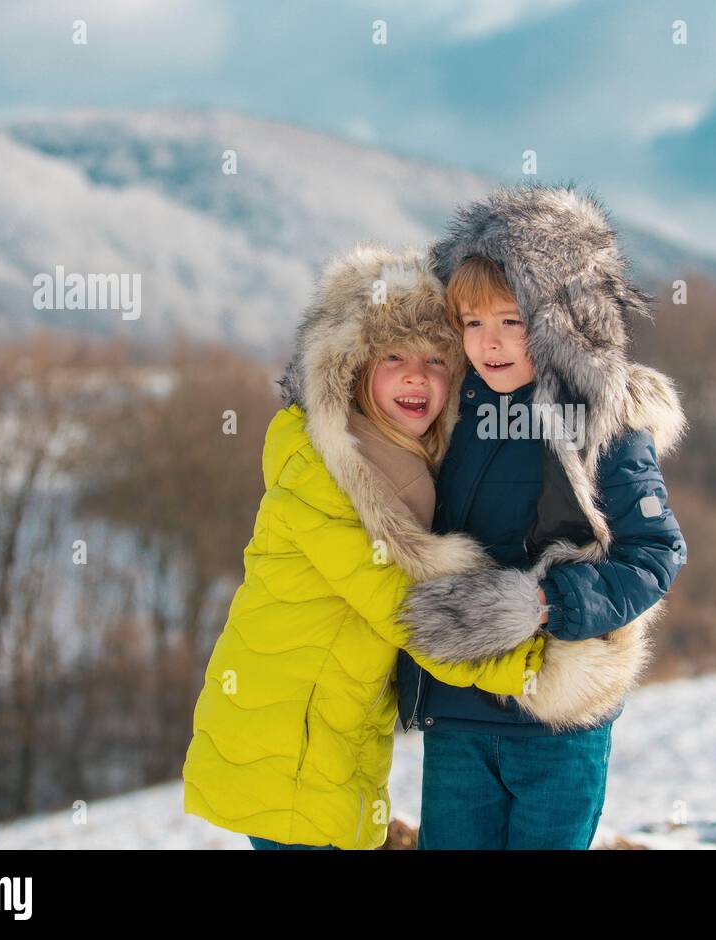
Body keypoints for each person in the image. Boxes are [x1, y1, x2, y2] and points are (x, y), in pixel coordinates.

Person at [181, 245, 547, 849]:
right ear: (350, 370)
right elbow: (401, 603)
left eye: (436, 360)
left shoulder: (407, 461)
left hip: (328, 733)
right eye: (393, 356)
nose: (415, 375)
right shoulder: (323, 471)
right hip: (285, 746)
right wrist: (536, 669)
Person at [396, 184, 690, 849]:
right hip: (457, 711)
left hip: (557, 718)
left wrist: (543, 603)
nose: (489, 343)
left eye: (513, 321)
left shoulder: (605, 426)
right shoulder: (447, 419)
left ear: (564, 325)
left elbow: (653, 555)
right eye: (472, 323)